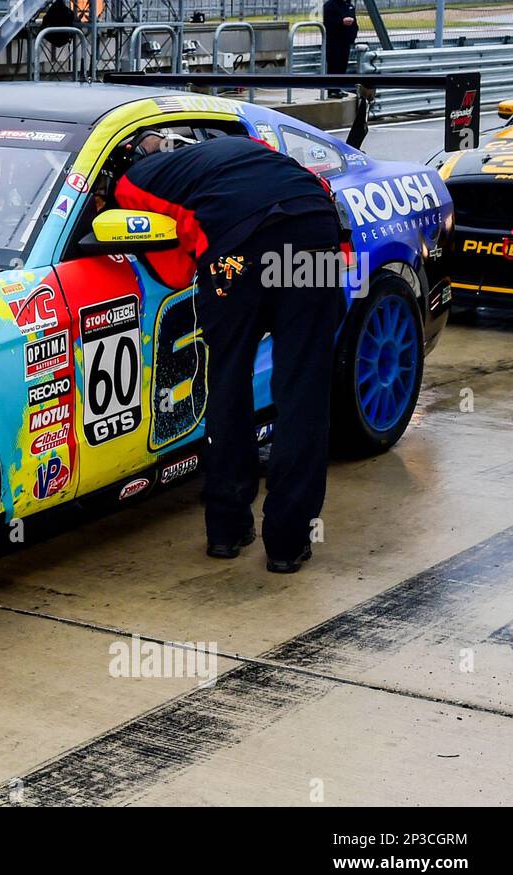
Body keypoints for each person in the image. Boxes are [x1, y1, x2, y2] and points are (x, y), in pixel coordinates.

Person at [111, 132, 346, 573]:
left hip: (240, 251)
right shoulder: (249, 147)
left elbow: (176, 270)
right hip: (316, 230)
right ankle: (288, 544)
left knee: (227, 381)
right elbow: (316, 190)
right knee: (304, 391)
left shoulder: (134, 181)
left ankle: (225, 529)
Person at [322, 0, 360, 98]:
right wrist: (341, 21)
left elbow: (355, 23)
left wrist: (352, 37)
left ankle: (338, 88)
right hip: (334, 42)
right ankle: (332, 90)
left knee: (343, 65)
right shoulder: (330, 5)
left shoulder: (349, 6)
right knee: (334, 65)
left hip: (345, 42)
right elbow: (328, 23)